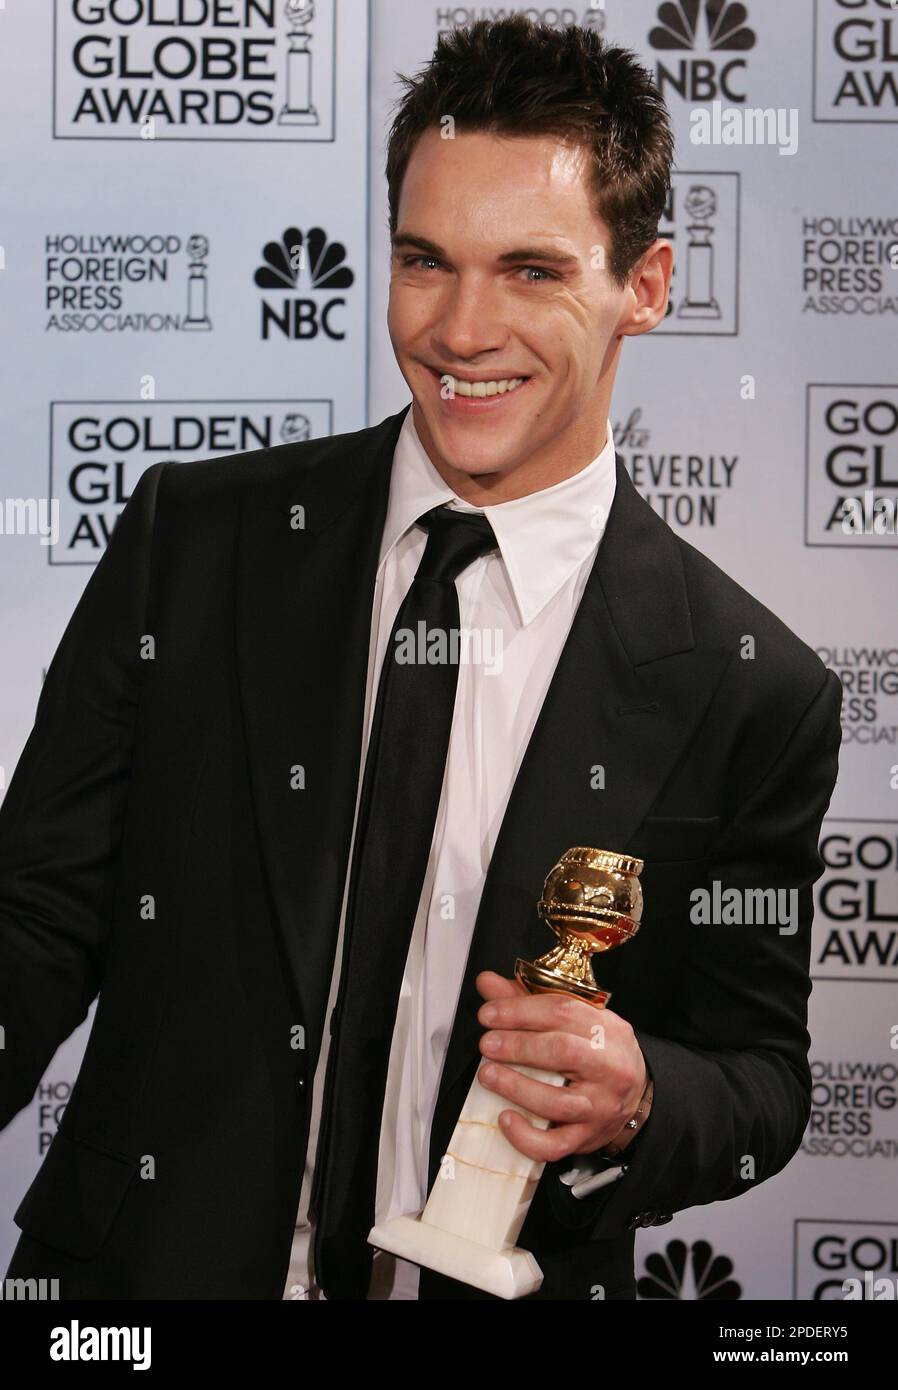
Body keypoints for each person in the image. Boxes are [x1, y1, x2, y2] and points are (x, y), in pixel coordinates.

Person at [0, 18, 841, 1301]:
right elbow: (39, 916)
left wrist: (639, 1098)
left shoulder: (749, 686)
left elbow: (762, 1078)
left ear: (648, 286)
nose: (460, 327)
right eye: (423, 260)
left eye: (529, 271)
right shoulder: (198, 541)